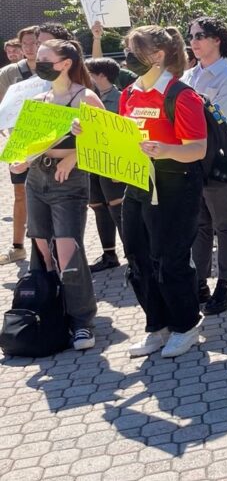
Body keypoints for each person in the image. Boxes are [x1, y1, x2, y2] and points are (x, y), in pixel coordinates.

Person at [118, 25, 208, 358]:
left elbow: (197, 149)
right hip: (138, 184)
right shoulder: (129, 94)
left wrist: (165, 150)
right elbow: (123, 137)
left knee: (170, 260)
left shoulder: (181, 95)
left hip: (175, 187)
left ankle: (186, 325)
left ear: (157, 55)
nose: (127, 57)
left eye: (134, 51)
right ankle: (157, 326)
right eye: (127, 50)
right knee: (138, 258)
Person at [12, 39, 104, 350]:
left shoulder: (85, 97)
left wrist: (74, 157)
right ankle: (52, 314)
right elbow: (28, 144)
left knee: (68, 253)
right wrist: (22, 159)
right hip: (38, 178)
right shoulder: (39, 99)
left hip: (69, 182)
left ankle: (83, 322)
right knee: (43, 251)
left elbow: (105, 139)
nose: (38, 64)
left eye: (44, 59)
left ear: (65, 63)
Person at [182, 16, 227, 314]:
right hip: (190, 160)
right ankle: (200, 282)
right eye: (191, 36)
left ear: (217, 40)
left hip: (218, 161)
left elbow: (212, 119)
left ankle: (225, 284)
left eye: (200, 35)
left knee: (224, 224)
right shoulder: (187, 76)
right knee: (199, 224)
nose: (193, 41)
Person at [0, 26, 40, 265]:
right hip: (19, 140)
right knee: (19, 193)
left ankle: (48, 243)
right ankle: (17, 246)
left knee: (48, 193)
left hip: (49, 140)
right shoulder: (9, 73)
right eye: (25, 44)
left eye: (34, 43)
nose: (30, 48)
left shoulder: (54, 68)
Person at [84, 57, 127, 272]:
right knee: (98, 208)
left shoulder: (121, 99)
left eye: (90, 73)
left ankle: (134, 255)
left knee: (118, 209)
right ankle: (109, 255)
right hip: (91, 162)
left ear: (101, 75)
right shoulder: (86, 98)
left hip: (112, 162)